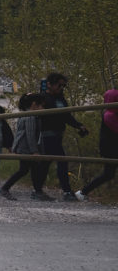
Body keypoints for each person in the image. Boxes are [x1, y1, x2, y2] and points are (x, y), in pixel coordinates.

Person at [40, 71, 90, 201]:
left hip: (57, 135)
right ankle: (66, 191)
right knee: (60, 161)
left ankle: (38, 189)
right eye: (59, 85)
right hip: (46, 136)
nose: (61, 88)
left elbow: (66, 116)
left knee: (47, 163)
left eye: (63, 86)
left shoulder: (60, 98)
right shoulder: (43, 99)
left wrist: (79, 125)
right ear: (49, 84)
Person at [0, 93, 51, 201]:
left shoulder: (30, 115)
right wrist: (35, 151)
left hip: (26, 148)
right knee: (24, 170)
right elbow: (30, 134)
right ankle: (5, 188)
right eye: (41, 105)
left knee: (33, 169)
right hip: (24, 148)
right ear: (34, 105)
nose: (43, 108)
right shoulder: (30, 116)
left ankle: (38, 191)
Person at [76, 87, 118, 199]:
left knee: (108, 174)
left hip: (111, 148)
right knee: (108, 174)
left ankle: (83, 192)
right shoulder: (110, 115)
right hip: (111, 149)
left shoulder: (110, 113)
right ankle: (83, 192)